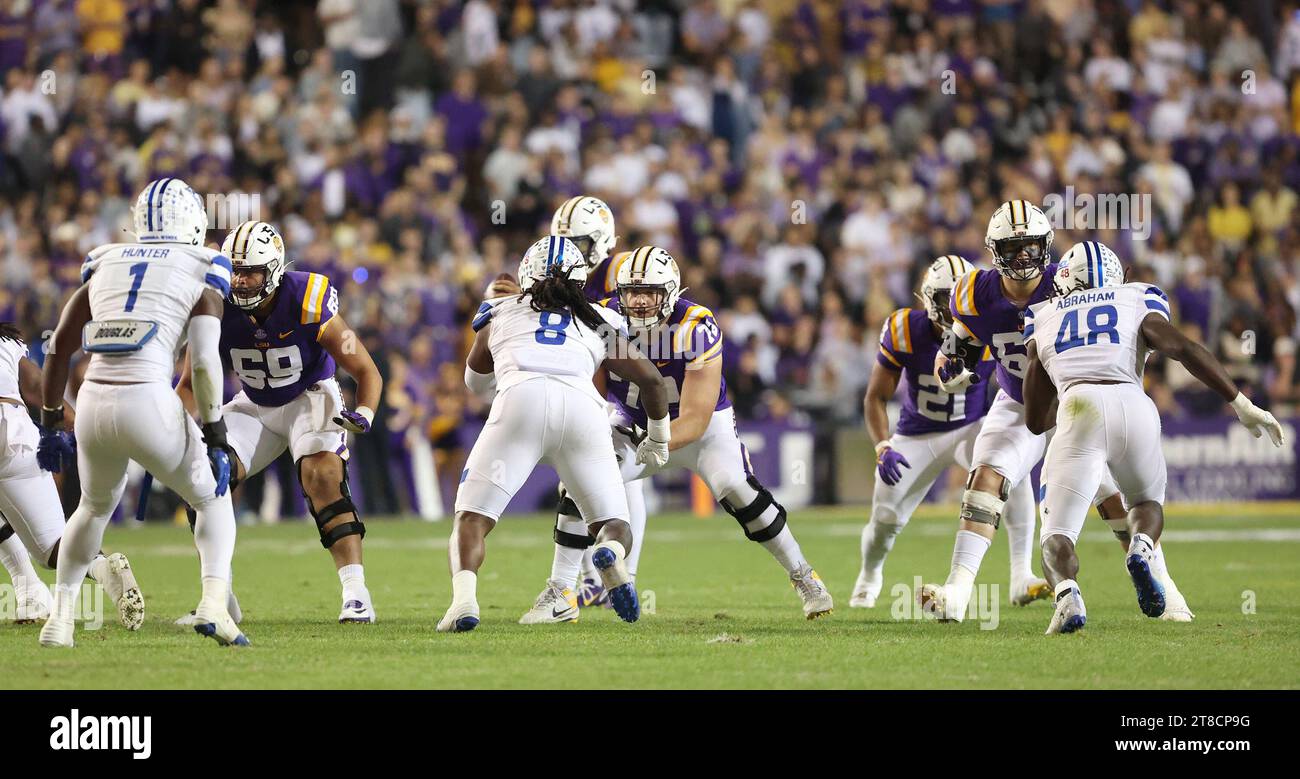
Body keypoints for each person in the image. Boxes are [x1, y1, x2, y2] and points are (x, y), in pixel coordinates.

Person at [519, 246, 834, 623]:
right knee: (578, 483)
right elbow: (595, 390)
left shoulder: (695, 326)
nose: (637, 302)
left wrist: (655, 439)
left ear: (669, 292)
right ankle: (561, 591)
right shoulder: (600, 317)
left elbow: (697, 417)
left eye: (648, 292)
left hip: (702, 430)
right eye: (631, 292)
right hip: (631, 423)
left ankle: (803, 575)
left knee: (737, 489)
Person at [1023, 240, 1284, 633]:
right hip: (1133, 403)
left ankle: (1068, 595)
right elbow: (1182, 347)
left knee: (1057, 533)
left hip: (1077, 406)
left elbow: (1034, 419)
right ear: (1117, 276)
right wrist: (1240, 402)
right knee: (1145, 502)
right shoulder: (1136, 296)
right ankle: (1141, 548)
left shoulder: (1043, 316)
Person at [37, 177, 246, 647]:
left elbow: (58, 348)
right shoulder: (205, 263)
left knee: (91, 509)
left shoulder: (105, 258)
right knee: (212, 498)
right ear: (193, 219)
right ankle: (215, 605)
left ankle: (62, 617)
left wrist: (52, 421)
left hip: (92, 401)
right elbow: (206, 360)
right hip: (149, 397)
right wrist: (215, 433)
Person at [440, 236, 672, 632]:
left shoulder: (499, 310)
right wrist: (658, 439)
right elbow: (652, 381)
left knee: (472, 517)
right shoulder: (599, 319)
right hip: (582, 408)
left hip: (520, 402)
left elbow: (475, 384)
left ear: (526, 274)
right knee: (614, 524)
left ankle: (464, 603)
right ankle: (611, 555)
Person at [176, 220, 384, 624]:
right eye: (235, 270)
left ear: (274, 270)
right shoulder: (214, 301)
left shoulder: (307, 297)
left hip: (310, 395)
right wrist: (178, 430)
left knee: (323, 478)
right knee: (202, 480)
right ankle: (220, 599)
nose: (241, 280)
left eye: (250, 271)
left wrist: (366, 413)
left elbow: (367, 370)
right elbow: (188, 384)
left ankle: (356, 594)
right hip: (254, 404)